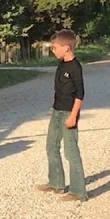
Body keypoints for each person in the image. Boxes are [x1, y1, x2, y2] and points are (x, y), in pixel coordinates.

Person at [36, 29, 87, 201]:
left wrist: (73, 116)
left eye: (55, 47)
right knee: (51, 147)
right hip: (56, 112)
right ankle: (56, 183)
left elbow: (80, 94)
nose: (53, 50)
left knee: (71, 152)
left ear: (66, 48)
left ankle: (78, 191)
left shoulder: (75, 67)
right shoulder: (61, 65)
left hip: (68, 114)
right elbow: (59, 89)